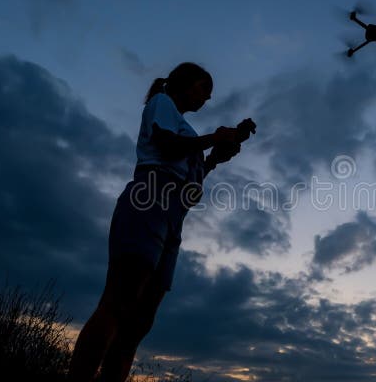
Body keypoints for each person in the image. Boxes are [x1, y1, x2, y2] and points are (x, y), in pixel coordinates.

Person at [67, 62, 255, 382]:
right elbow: (166, 145)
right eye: (203, 89)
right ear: (184, 82)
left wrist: (213, 159)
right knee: (118, 303)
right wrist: (214, 137)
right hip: (149, 201)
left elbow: (189, 189)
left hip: (173, 216)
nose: (206, 98)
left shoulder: (185, 129)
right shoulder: (162, 103)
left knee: (138, 324)